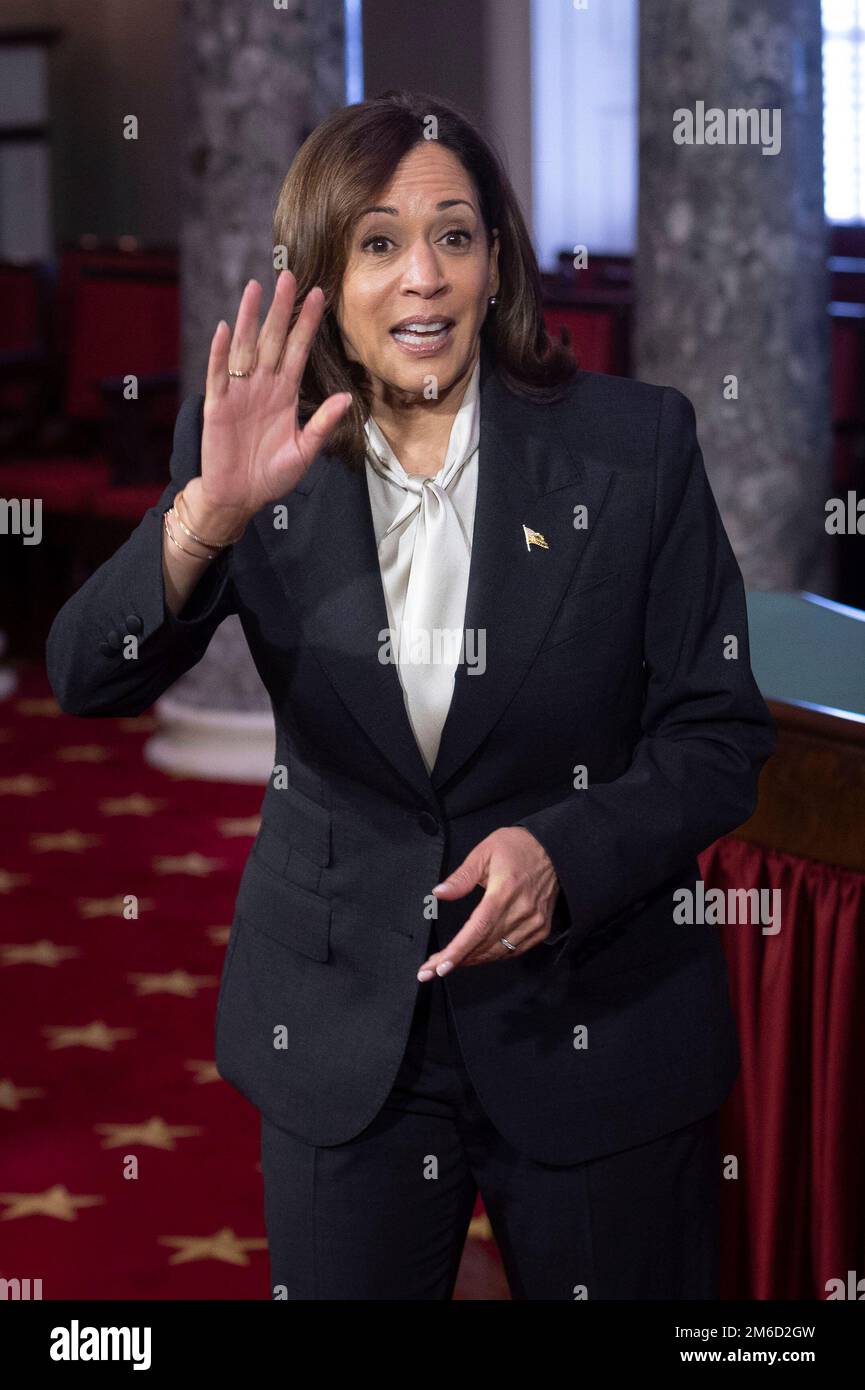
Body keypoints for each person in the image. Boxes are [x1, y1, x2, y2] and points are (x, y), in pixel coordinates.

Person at [46, 90, 777, 1301]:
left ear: (498, 263)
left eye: (455, 234)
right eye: (379, 242)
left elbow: (717, 731)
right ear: (326, 270)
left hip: (593, 1021)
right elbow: (85, 675)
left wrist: (564, 853)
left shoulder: (634, 448)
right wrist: (206, 516)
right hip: (341, 1033)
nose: (421, 276)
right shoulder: (249, 452)